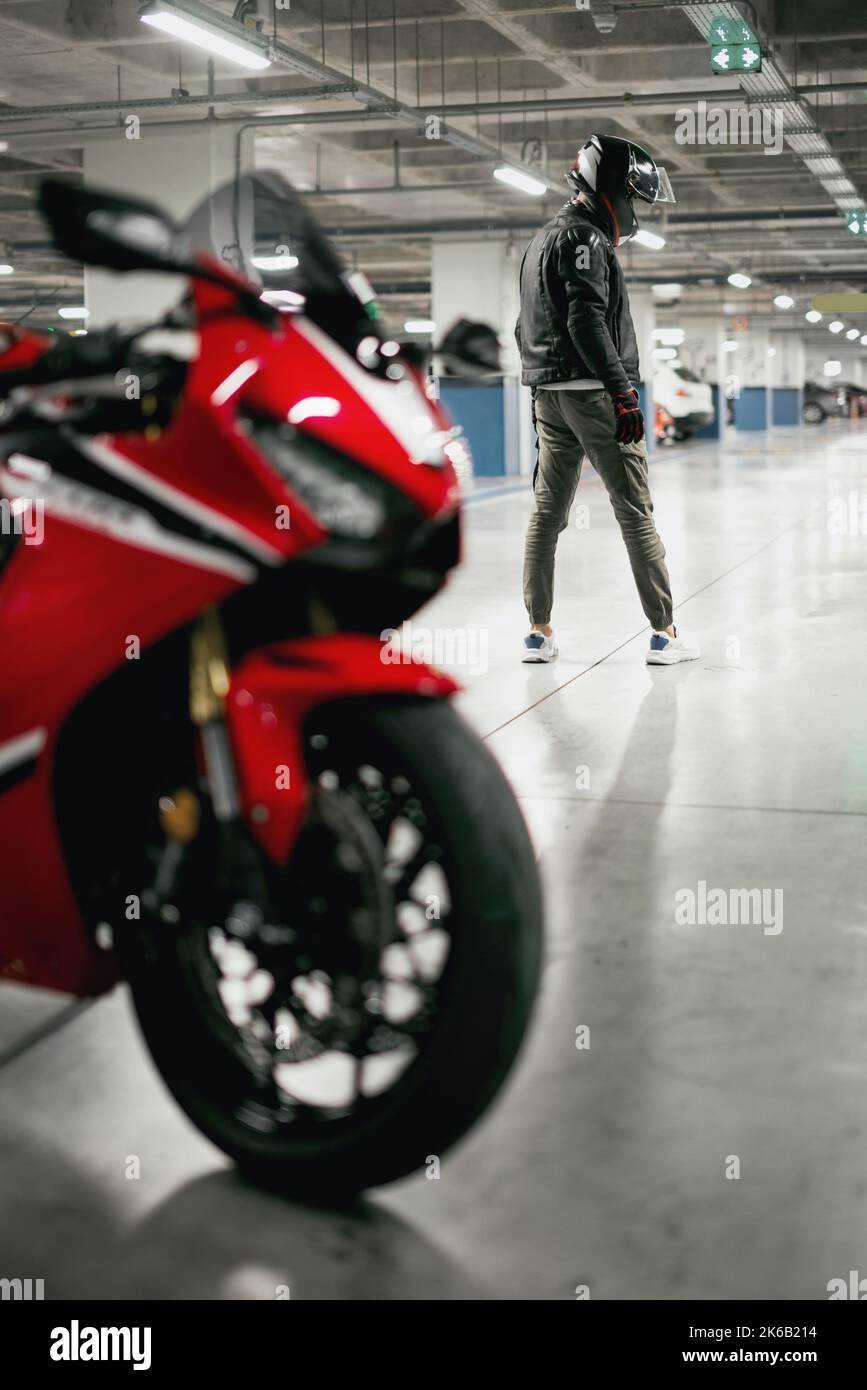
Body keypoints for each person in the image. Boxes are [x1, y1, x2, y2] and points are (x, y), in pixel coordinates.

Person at [516, 133, 700, 667]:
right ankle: (664, 633)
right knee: (634, 510)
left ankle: (537, 631)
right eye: (633, 196)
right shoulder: (587, 240)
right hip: (594, 395)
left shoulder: (538, 242)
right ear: (611, 189)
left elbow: (523, 324)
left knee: (547, 514)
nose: (634, 208)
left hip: (548, 396)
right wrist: (623, 393)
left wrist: (540, 386)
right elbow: (585, 320)